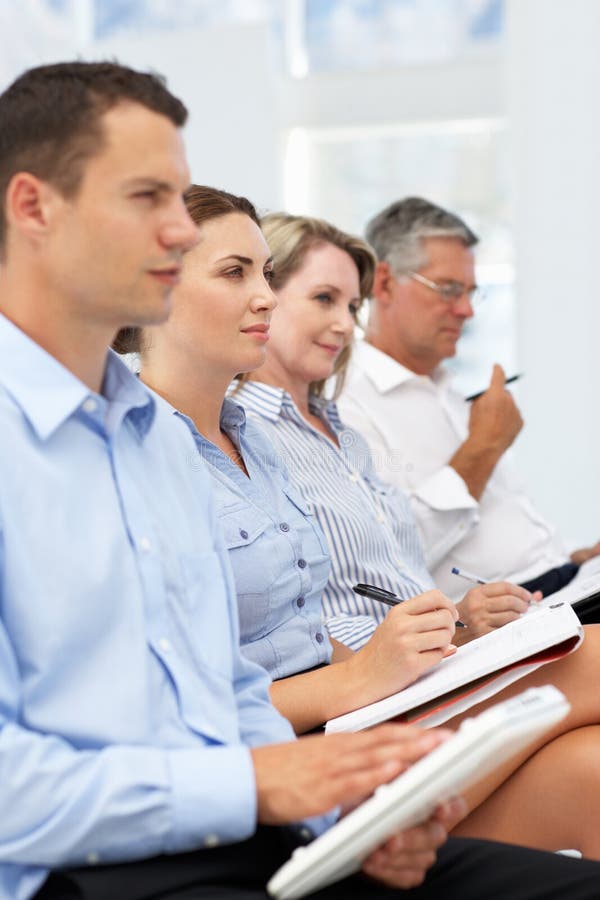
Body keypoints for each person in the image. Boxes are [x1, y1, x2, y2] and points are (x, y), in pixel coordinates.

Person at [5, 61, 595, 900]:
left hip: (255, 830)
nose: (179, 230)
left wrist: (339, 817)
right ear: (33, 208)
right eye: (149, 199)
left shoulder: (149, 442)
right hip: (88, 870)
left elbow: (230, 689)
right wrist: (266, 786)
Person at [123, 195, 600, 858]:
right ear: (155, 285)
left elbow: (310, 630)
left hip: (363, 697)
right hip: (305, 743)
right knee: (595, 655)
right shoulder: (132, 454)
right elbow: (187, 700)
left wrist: (443, 639)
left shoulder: (255, 443)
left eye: (265, 275)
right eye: (238, 274)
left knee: (593, 774)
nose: (264, 298)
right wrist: (365, 675)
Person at [336, 196, 600, 604]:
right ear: (384, 283)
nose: (465, 311)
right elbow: (391, 554)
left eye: (470, 292)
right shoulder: (348, 405)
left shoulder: (449, 391)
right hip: (504, 621)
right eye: (448, 290)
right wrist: (484, 447)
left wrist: (572, 556)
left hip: (562, 584)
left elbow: (501, 531)